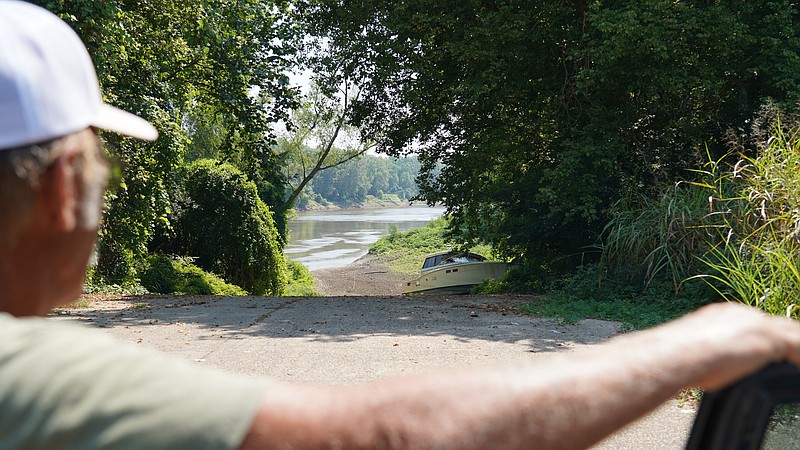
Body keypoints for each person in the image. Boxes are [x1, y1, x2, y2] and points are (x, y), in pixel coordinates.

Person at [2, 2, 800, 449]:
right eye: (104, 160)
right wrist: (707, 338)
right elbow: (384, 437)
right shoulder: (26, 375)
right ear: (65, 186)